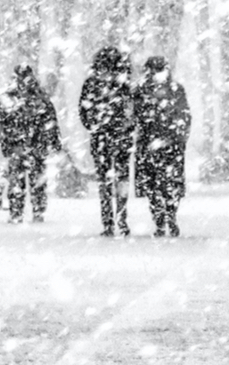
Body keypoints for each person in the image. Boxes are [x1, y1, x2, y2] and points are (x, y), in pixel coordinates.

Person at [0, 64, 61, 223]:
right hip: (31, 144)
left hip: (24, 144)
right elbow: (50, 118)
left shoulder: (14, 97)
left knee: (21, 180)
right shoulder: (36, 96)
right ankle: (32, 210)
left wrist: (2, 134)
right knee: (30, 180)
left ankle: (21, 211)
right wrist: (53, 140)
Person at [78, 46, 134, 237]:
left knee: (105, 181)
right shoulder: (124, 85)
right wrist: (126, 127)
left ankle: (109, 221)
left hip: (102, 137)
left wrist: (95, 125)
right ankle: (120, 219)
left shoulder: (92, 84)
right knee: (121, 180)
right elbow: (132, 111)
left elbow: (84, 111)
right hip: (119, 138)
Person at [133, 56, 191, 237]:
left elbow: (183, 116)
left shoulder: (145, 90)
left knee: (157, 183)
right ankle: (166, 217)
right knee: (164, 183)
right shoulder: (170, 90)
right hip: (164, 143)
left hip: (159, 142)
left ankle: (163, 218)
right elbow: (184, 116)